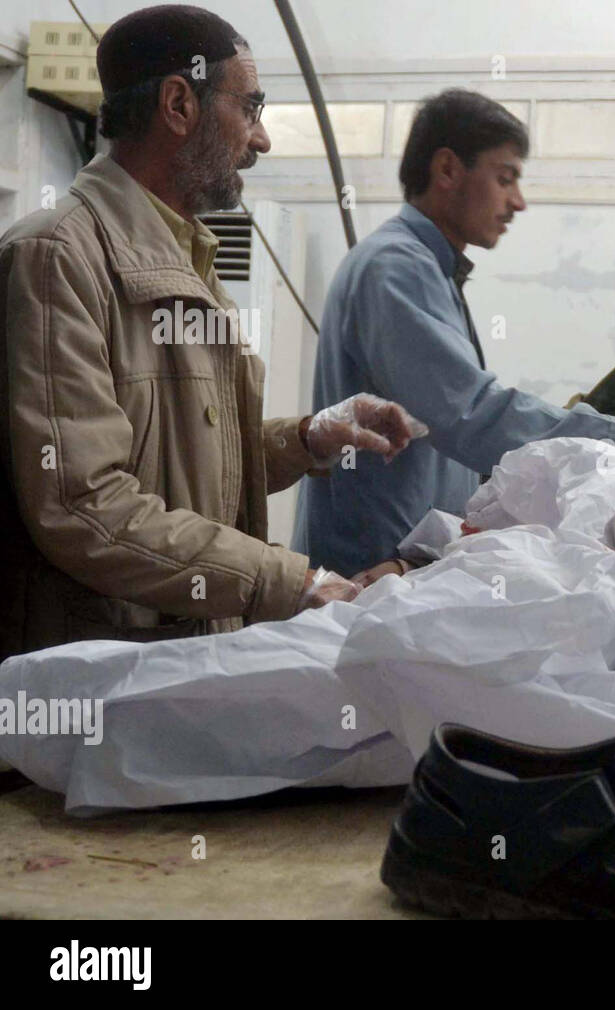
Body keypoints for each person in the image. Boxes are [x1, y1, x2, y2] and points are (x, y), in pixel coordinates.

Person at [0, 5, 422, 663]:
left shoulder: (185, 254)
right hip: (99, 685)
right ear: (178, 104)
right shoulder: (58, 257)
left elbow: (184, 459)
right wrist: (293, 583)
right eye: (249, 109)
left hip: (177, 660)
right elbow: (84, 506)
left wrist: (307, 437)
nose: (261, 140)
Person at [291, 89, 615, 578]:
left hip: (402, 557)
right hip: (369, 568)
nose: (518, 202)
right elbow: (468, 414)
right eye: (505, 179)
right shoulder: (396, 267)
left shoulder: (425, 267)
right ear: (449, 169)